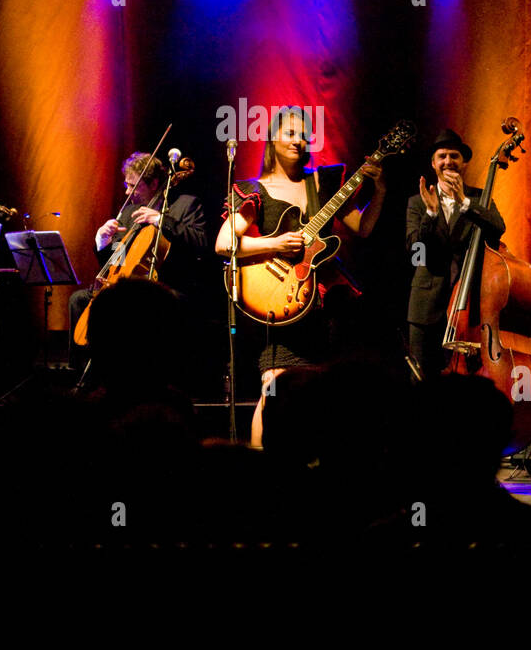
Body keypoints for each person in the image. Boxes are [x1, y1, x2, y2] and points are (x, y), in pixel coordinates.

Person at [215, 106, 386, 446]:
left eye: (304, 134)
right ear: (272, 139)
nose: (299, 140)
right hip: (279, 304)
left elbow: (362, 228)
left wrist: (378, 190)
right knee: (275, 387)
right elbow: (224, 244)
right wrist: (276, 242)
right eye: (291, 133)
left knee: (324, 393)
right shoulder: (255, 190)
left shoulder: (322, 184)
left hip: (322, 308)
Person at [68, 151, 209, 341]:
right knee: (79, 300)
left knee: (142, 307)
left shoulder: (185, 205)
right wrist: (103, 243)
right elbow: (118, 262)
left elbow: (200, 242)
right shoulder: (129, 212)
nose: (127, 192)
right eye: (127, 185)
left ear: (154, 184)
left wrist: (161, 220)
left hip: (168, 287)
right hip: (129, 288)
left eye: (134, 186)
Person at [405, 129, 506, 380]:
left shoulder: (478, 198)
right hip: (425, 307)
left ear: (464, 162)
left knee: (463, 385)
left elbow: (498, 228)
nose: (448, 161)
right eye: (442, 156)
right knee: (420, 381)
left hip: (467, 307)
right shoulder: (417, 202)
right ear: (433, 163)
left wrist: (464, 203)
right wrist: (430, 215)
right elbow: (415, 249)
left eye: (454, 156)